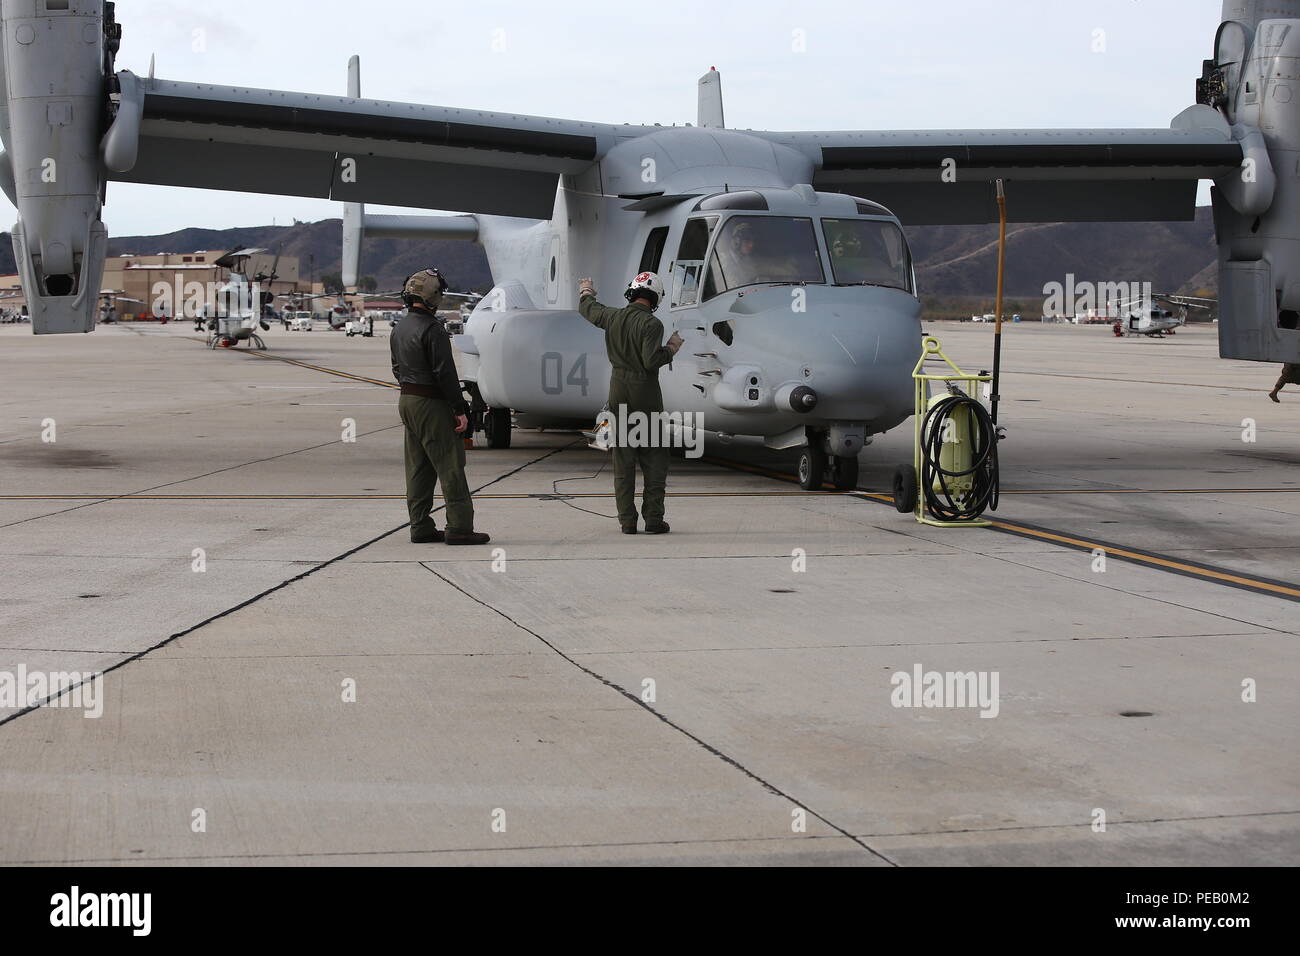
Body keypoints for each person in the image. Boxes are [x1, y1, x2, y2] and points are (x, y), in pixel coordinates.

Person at [578, 272, 684, 534]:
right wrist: (671, 349)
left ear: (633, 293)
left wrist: (586, 291)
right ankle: (653, 520)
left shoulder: (613, 316)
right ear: (654, 298)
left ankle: (627, 520)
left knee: (623, 460)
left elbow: (589, 310)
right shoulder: (652, 325)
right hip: (644, 393)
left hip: (618, 389)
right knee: (654, 457)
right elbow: (651, 361)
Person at [390, 268, 490, 545]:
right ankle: (459, 527)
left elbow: (397, 368)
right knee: (450, 465)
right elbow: (444, 373)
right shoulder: (432, 329)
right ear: (433, 295)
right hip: (432, 403)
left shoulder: (400, 328)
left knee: (418, 467)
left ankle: (420, 525)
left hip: (408, 400)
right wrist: (460, 409)